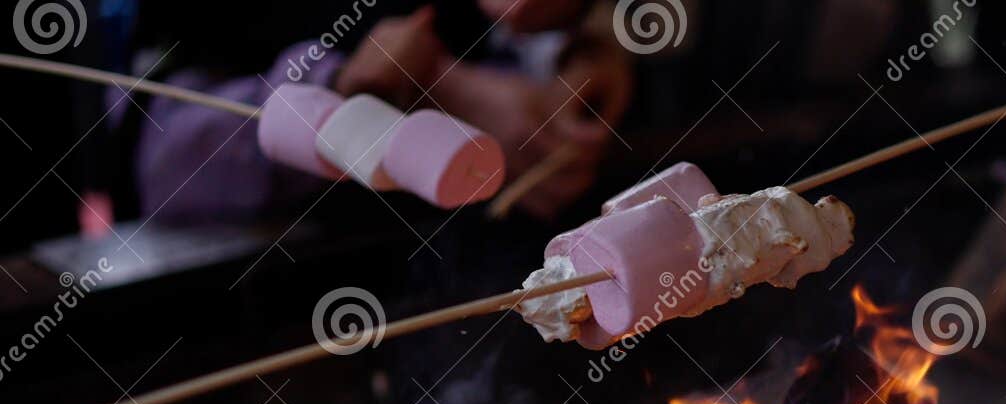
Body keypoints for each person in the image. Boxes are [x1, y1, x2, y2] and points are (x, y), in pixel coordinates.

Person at [112, 1, 632, 224]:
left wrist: (590, 44)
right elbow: (157, 161)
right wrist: (361, 95)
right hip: (283, 314)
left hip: (511, 280)